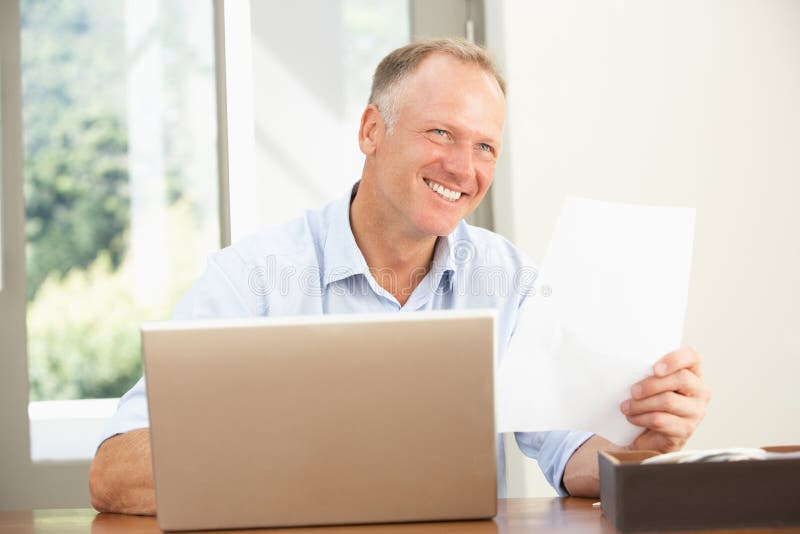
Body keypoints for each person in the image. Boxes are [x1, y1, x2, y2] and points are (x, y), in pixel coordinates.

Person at [89, 39, 710, 515]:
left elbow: (569, 454)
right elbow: (115, 472)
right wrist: (306, 455)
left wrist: (642, 446)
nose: (463, 168)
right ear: (371, 131)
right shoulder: (254, 278)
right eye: (440, 132)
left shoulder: (508, 280)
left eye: (485, 146)